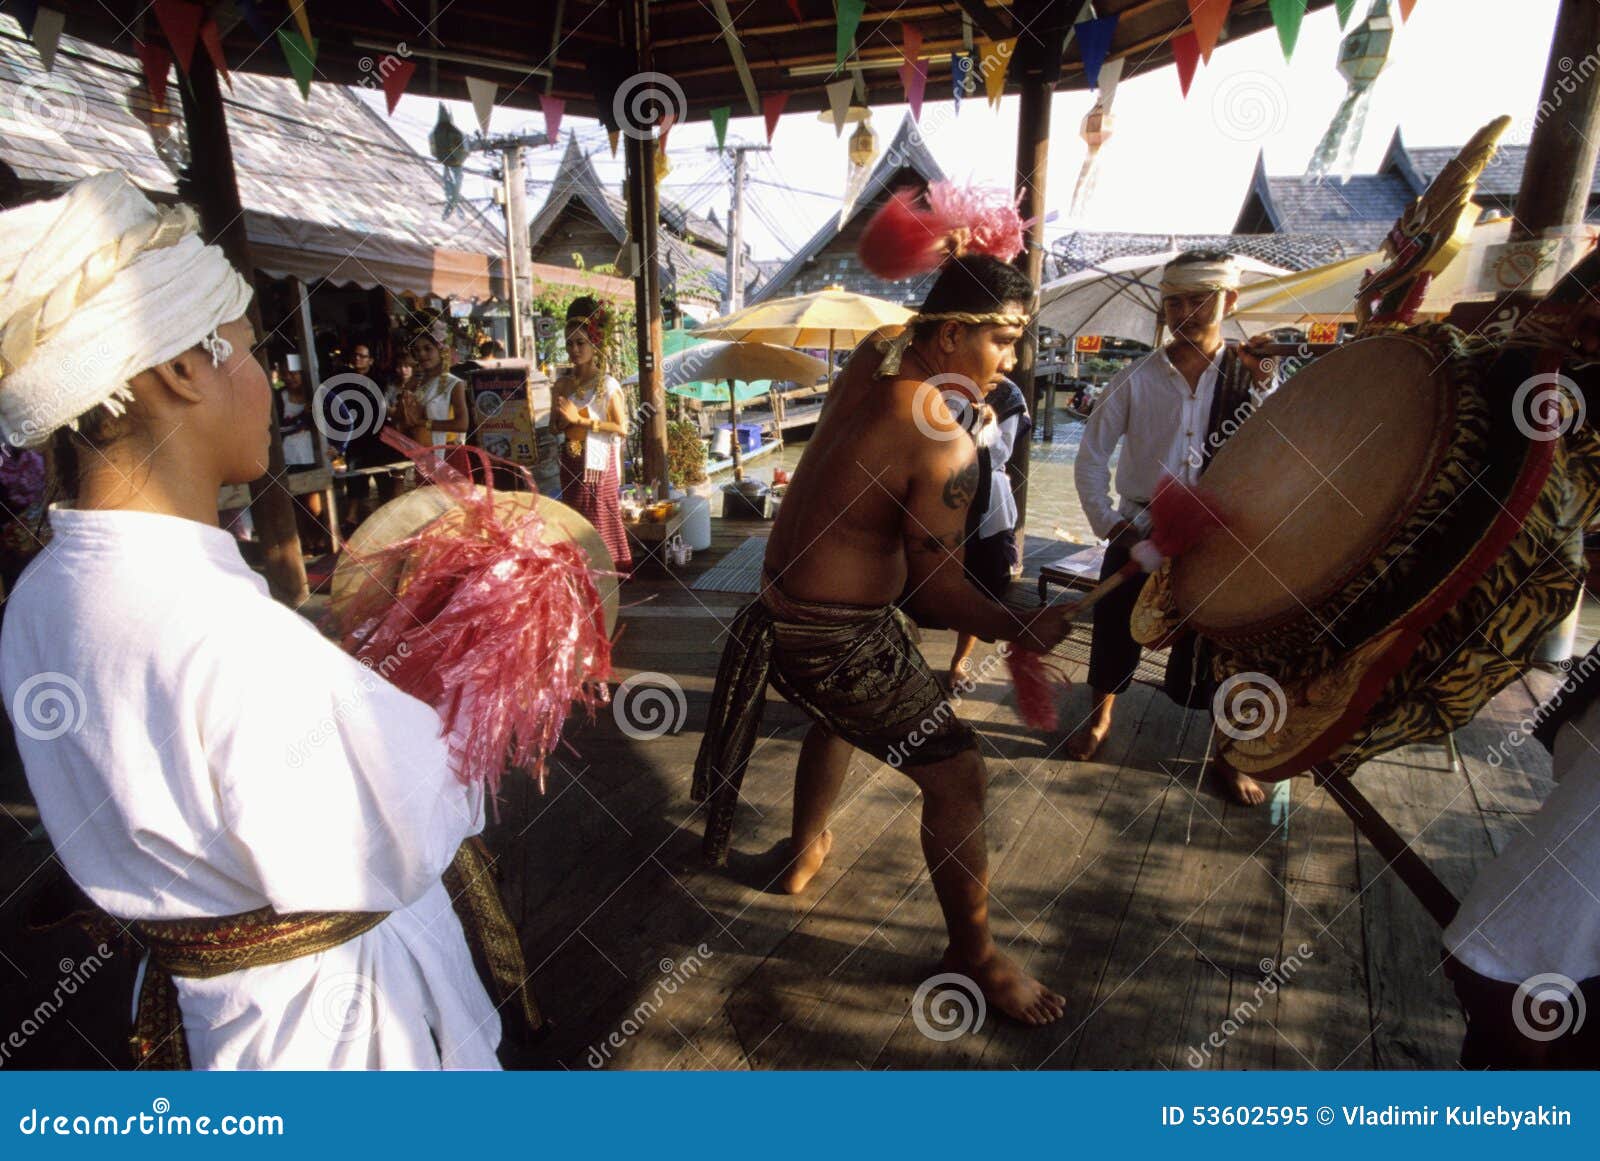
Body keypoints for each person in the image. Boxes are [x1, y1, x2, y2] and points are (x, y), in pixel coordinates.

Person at [0, 172, 509, 1069]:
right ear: (180, 368)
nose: (269, 382)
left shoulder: (40, 596)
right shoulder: (226, 634)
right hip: (336, 1037)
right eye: (248, 350)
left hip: (214, 1017)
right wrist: (486, 659)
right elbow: (409, 825)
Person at [694, 254, 1073, 1026]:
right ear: (955, 332)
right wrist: (1019, 625)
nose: (1012, 360)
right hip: (829, 637)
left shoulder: (879, 353)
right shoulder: (943, 445)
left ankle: (804, 848)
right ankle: (973, 954)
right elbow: (937, 599)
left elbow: (916, 342)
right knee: (958, 775)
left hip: (783, 608)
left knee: (840, 716)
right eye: (1002, 339)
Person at [1070, 251, 1273, 805]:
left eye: (1198, 299)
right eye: (1174, 300)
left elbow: (1278, 448)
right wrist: (1113, 527)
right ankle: (1099, 720)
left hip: (1217, 534)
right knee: (1112, 625)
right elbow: (1091, 458)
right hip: (1140, 527)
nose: (1184, 311)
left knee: (1227, 642)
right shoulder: (1133, 379)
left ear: (1228, 301)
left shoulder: (1250, 374)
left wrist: (1262, 385)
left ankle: (1226, 755)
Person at [946, 377, 1031, 691]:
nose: (1007, 362)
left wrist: (982, 424)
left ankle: (959, 662)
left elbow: (998, 454)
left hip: (987, 501)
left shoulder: (1008, 394)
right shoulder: (939, 383)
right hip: (932, 493)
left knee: (981, 586)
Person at [550, 297, 632, 575]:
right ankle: (581, 573)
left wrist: (581, 420)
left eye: (581, 343)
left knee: (599, 519)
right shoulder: (561, 384)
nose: (574, 349)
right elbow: (554, 427)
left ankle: (607, 574)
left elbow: (621, 428)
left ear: (594, 345)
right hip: (570, 459)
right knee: (574, 518)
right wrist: (560, 422)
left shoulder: (607, 385)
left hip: (597, 463)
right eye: (569, 343)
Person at [408, 322, 469, 448]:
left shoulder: (453, 383)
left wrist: (423, 423)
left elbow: (462, 424)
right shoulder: (414, 382)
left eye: (427, 348)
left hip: (447, 452)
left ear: (441, 351)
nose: (422, 354)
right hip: (418, 450)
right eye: (417, 350)